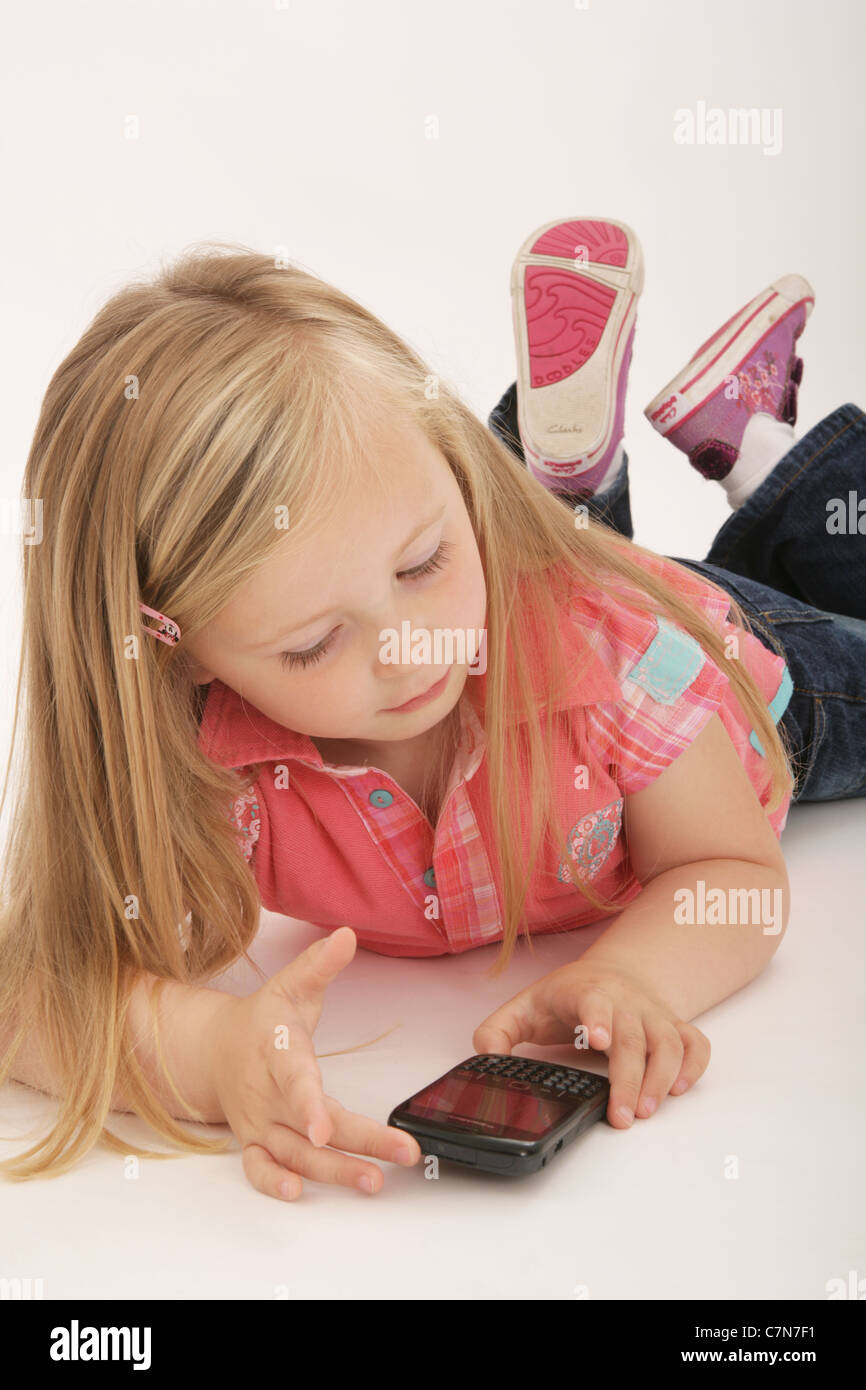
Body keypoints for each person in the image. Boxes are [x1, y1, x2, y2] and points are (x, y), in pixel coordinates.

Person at [1, 226, 863, 1207]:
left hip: (761, 680)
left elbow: (728, 871)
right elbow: (33, 989)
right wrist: (208, 1054)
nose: (409, 644)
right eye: (313, 641)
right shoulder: (206, 764)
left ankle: (751, 447)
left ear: (454, 464)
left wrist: (633, 978)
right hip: (547, 580)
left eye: (421, 565)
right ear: (181, 648)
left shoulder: (620, 662)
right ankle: (626, 471)